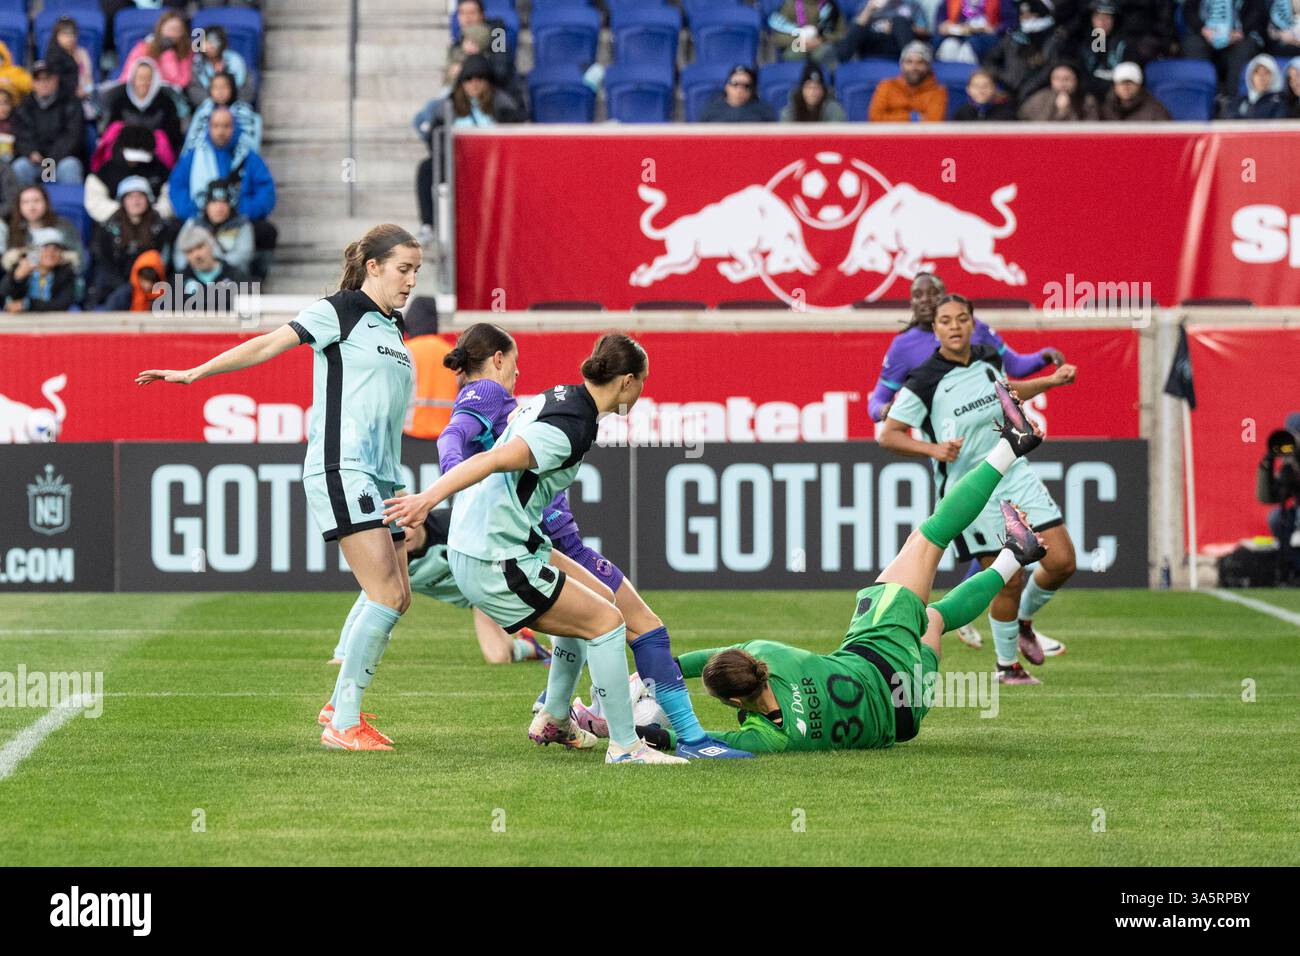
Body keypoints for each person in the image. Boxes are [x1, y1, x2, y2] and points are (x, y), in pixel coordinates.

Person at [383, 335, 748, 764]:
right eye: (643, 383)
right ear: (627, 382)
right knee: (608, 623)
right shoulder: (569, 425)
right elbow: (494, 460)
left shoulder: (563, 397)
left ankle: (556, 715)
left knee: (598, 601)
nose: (643, 392)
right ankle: (627, 747)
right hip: (495, 552)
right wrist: (428, 499)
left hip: (510, 540)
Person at [137, 224, 422, 751]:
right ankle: (343, 724)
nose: (411, 281)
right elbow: (269, 343)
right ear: (375, 266)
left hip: (383, 476)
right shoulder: (340, 309)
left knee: (398, 596)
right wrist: (194, 374)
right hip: (342, 466)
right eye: (403, 269)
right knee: (383, 592)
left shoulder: (393, 326)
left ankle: (340, 705)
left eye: (416, 272)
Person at [651, 388, 1051, 754]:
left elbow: (703, 741)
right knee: (928, 538)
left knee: (932, 618)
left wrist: (642, 734)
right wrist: (657, 671)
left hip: (905, 715)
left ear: (736, 702)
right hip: (880, 657)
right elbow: (714, 658)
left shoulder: (774, 737)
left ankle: (1015, 553)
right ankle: (1010, 447)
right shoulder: (769, 654)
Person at [881, 294, 1079, 682]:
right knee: (1009, 576)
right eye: (945, 321)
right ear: (934, 329)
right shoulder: (924, 380)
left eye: (961, 319)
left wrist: (1052, 381)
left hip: (1015, 471)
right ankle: (1007, 667)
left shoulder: (988, 357)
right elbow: (888, 435)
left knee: (1062, 562)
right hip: (971, 491)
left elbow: (1010, 392)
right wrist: (933, 448)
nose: (954, 326)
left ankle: (1023, 621)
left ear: (973, 323)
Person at [169, 106, 277, 280]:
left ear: (235, 128)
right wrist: (194, 212)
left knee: (267, 232)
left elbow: (266, 191)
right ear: (208, 127)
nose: (221, 131)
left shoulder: (248, 157)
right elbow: (177, 185)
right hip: (200, 217)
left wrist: (241, 211)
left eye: (226, 126)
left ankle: (256, 281)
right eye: (216, 126)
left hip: (238, 219)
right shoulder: (194, 156)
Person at [89, 176, 175, 308]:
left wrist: (148, 281)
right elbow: (106, 264)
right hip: (117, 287)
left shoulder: (161, 228)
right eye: (130, 196)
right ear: (122, 201)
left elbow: (165, 262)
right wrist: (130, 286)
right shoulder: (108, 229)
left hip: (153, 285)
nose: (135, 201)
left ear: (148, 199)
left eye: (140, 196)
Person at [12, 61, 85, 187]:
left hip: (60, 160)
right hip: (34, 162)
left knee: (71, 166)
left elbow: (73, 136)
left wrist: (50, 161)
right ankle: (23, 206)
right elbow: (21, 136)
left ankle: (68, 206)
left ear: (56, 79)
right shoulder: (23, 106)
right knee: (20, 167)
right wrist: (30, 152)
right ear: (33, 83)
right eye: (38, 79)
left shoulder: (71, 103)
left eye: (48, 78)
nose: (43, 83)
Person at [98, 58, 184, 165]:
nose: (144, 83)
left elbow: (173, 137)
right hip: (123, 155)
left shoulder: (166, 103)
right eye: (140, 78)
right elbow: (111, 132)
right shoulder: (120, 101)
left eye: (148, 78)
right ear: (133, 79)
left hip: (156, 158)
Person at [84, 124, 175, 225]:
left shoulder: (160, 170)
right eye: (132, 158)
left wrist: (156, 213)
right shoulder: (106, 171)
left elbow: (169, 195)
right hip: (114, 224)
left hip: (154, 223)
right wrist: (121, 213)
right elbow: (95, 200)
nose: (136, 162)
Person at [983, 0, 1066, 104]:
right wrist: (1005, 77)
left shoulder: (1056, 38)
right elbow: (989, 61)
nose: (1027, 20)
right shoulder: (1013, 37)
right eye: (1023, 16)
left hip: (1042, 94)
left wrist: (1028, 88)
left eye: (1031, 15)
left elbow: (1054, 67)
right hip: (1009, 91)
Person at [1183, 0, 1270, 96]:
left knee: (1244, 50)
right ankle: (1202, 97)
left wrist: (1239, 33)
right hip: (1206, 33)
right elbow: (1189, 11)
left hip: (1240, 34)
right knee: (1193, 44)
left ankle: (1233, 100)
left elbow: (1257, 13)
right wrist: (1203, 30)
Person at [173, 179, 253, 276]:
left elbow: (243, 255)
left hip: (231, 279)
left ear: (230, 205)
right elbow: (180, 253)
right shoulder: (193, 224)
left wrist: (215, 267)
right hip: (195, 277)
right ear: (206, 205)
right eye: (214, 202)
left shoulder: (242, 224)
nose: (219, 208)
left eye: (224, 202)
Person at [0, 185, 84, 276]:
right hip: (25, 283)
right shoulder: (13, 229)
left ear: (46, 203)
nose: (31, 207)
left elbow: (81, 261)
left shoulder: (63, 226)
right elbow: (7, 268)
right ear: (19, 207)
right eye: (25, 202)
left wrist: (59, 258)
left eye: (36, 201)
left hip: (60, 280)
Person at [1257, 413, 1300, 582]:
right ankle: (1293, 569)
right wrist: (1266, 465)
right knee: (1277, 518)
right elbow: (1268, 497)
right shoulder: (1291, 462)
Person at [0, 227, 77, 312]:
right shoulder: (20, 267)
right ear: (34, 252)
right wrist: (17, 277)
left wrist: (27, 304)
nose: (50, 253)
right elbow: (4, 294)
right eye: (45, 248)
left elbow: (63, 303)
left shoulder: (66, 273)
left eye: (56, 249)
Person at [185, 71, 262, 155]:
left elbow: (250, 142)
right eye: (215, 88)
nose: (220, 92)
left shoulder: (243, 112)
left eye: (224, 87)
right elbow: (192, 140)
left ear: (232, 89)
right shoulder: (203, 112)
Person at [868, 41, 948, 121]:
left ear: (928, 66)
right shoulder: (886, 86)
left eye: (920, 62)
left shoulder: (938, 91)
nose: (914, 67)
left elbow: (934, 120)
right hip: (888, 133)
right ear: (902, 65)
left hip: (922, 133)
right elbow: (875, 117)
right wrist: (911, 118)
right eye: (909, 62)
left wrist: (893, 117)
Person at [118, 9, 194, 90]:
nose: (172, 34)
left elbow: (181, 82)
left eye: (177, 30)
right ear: (160, 29)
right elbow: (127, 76)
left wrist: (168, 55)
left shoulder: (186, 52)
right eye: (170, 29)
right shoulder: (144, 47)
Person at [835, 0, 930, 63]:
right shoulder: (866, 5)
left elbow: (924, 32)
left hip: (899, 45)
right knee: (858, 27)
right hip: (872, 44)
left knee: (900, 21)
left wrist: (897, 27)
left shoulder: (912, 5)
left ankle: (909, 61)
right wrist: (869, 9)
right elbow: (854, 31)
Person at [176, 221, 250, 299]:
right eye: (189, 251)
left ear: (211, 246)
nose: (196, 255)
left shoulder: (236, 275)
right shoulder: (178, 282)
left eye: (200, 247)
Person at [187, 25, 256, 108]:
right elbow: (194, 91)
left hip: (236, 107)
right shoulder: (196, 64)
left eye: (214, 41)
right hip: (206, 108)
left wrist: (229, 104)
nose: (210, 46)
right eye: (206, 42)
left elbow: (248, 91)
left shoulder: (236, 61)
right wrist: (214, 104)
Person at [44, 16, 96, 121]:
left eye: (73, 34)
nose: (70, 38)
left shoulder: (82, 53)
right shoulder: (52, 56)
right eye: (65, 34)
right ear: (56, 36)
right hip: (60, 101)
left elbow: (89, 82)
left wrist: (86, 90)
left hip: (83, 98)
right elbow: (54, 84)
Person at [936, 0, 1015, 63]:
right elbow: (941, 16)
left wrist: (996, 28)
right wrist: (942, 25)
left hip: (984, 37)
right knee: (948, 46)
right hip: (956, 34)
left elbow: (1011, 21)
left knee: (967, 51)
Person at [1017, 60, 1101, 119]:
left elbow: (1090, 128)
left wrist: (1066, 111)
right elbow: (1026, 120)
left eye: (1067, 79)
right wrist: (1058, 111)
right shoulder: (1040, 98)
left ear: (1076, 81)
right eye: (1057, 79)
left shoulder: (1087, 101)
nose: (1062, 84)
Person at [768, 0, 844, 61]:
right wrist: (800, 40)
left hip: (822, 44)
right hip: (796, 44)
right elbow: (777, 37)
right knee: (793, 54)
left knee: (825, 53)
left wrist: (822, 39)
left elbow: (841, 34)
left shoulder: (831, 6)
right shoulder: (789, 5)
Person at [700, 64, 777, 122]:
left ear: (752, 90)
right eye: (735, 84)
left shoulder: (763, 111)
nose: (739, 90)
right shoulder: (712, 109)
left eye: (746, 86)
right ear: (726, 86)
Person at [1221, 52, 1288, 116]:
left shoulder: (1279, 102)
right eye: (1257, 73)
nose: (1262, 78)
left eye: (1266, 73)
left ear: (1274, 76)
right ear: (1250, 76)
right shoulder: (1240, 101)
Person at [1099, 60, 1172, 118]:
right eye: (1122, 83)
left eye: (1130, 83)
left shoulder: (1155, 110)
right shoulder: (1105, 109)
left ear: (1139, 85)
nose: (1126, 87)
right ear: (1115, 86)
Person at [781, 60, 848, 121]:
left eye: (817, 88)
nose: (812, 92)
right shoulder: (791, 111)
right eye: (809, 87)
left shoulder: (833, 110)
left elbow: (836, 132)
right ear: (801, 90)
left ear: (823, 90)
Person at [952, 67, 1019, 117]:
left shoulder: (1007, 112)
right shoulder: (962, 113)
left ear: (994, 88)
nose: (981, 90)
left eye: (986, 86)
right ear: (968, 89)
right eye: (976, 86)